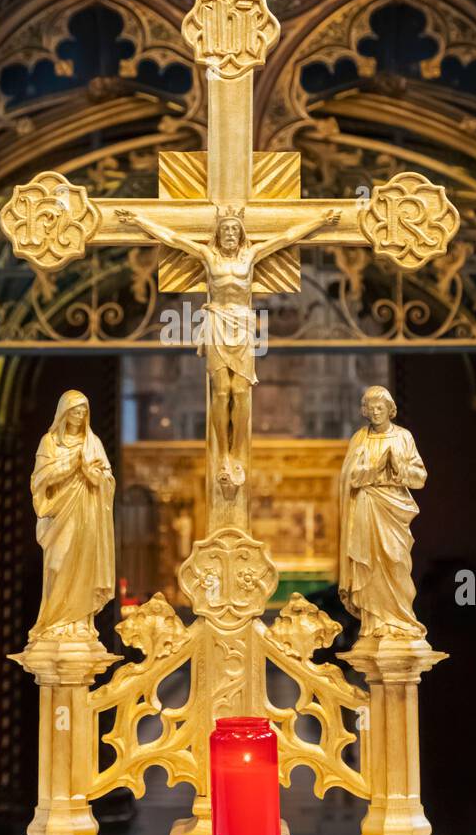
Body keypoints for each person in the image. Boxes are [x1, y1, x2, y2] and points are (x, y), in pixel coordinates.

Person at [116, 203, 338, 490]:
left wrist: (319, 220)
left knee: (241, 391)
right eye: (225, 230)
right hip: (218, 322)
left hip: (243, 326)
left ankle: (237, 453)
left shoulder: (251, 255)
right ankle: (222, 453)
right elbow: (172, 238)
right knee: (221, 391)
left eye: (234, 229)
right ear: (218, 235)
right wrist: (139, 218)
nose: (230, 234)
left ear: (241, 232)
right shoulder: (209, 257)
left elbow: (286, 238)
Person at [339, 384, 427, 639]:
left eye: (381, 408)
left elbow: (420, 478)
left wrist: (400, 468)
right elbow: (349, 478)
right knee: (370, 564)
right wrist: (372, 469)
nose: (376, 412)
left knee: (397, 562)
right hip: (367, 507)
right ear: (365, 411)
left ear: (391, 410)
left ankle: (401, 620)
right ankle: (374, 623)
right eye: (371, 408)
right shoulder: (359, 438)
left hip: (394, 511)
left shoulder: (403, 437)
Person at [30, 390, 115, 637]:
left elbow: (107, 481)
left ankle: (79, 623)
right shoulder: (50, 442)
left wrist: (92, 475)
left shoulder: (93, 443)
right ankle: (53, 622)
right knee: (57, 564)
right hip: (59, 513)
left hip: (87, 513)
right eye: (75, 411)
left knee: (85, 565)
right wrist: (73, 466)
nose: (79, 416)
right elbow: (41, 479)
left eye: (83, 412)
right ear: (64, 413)